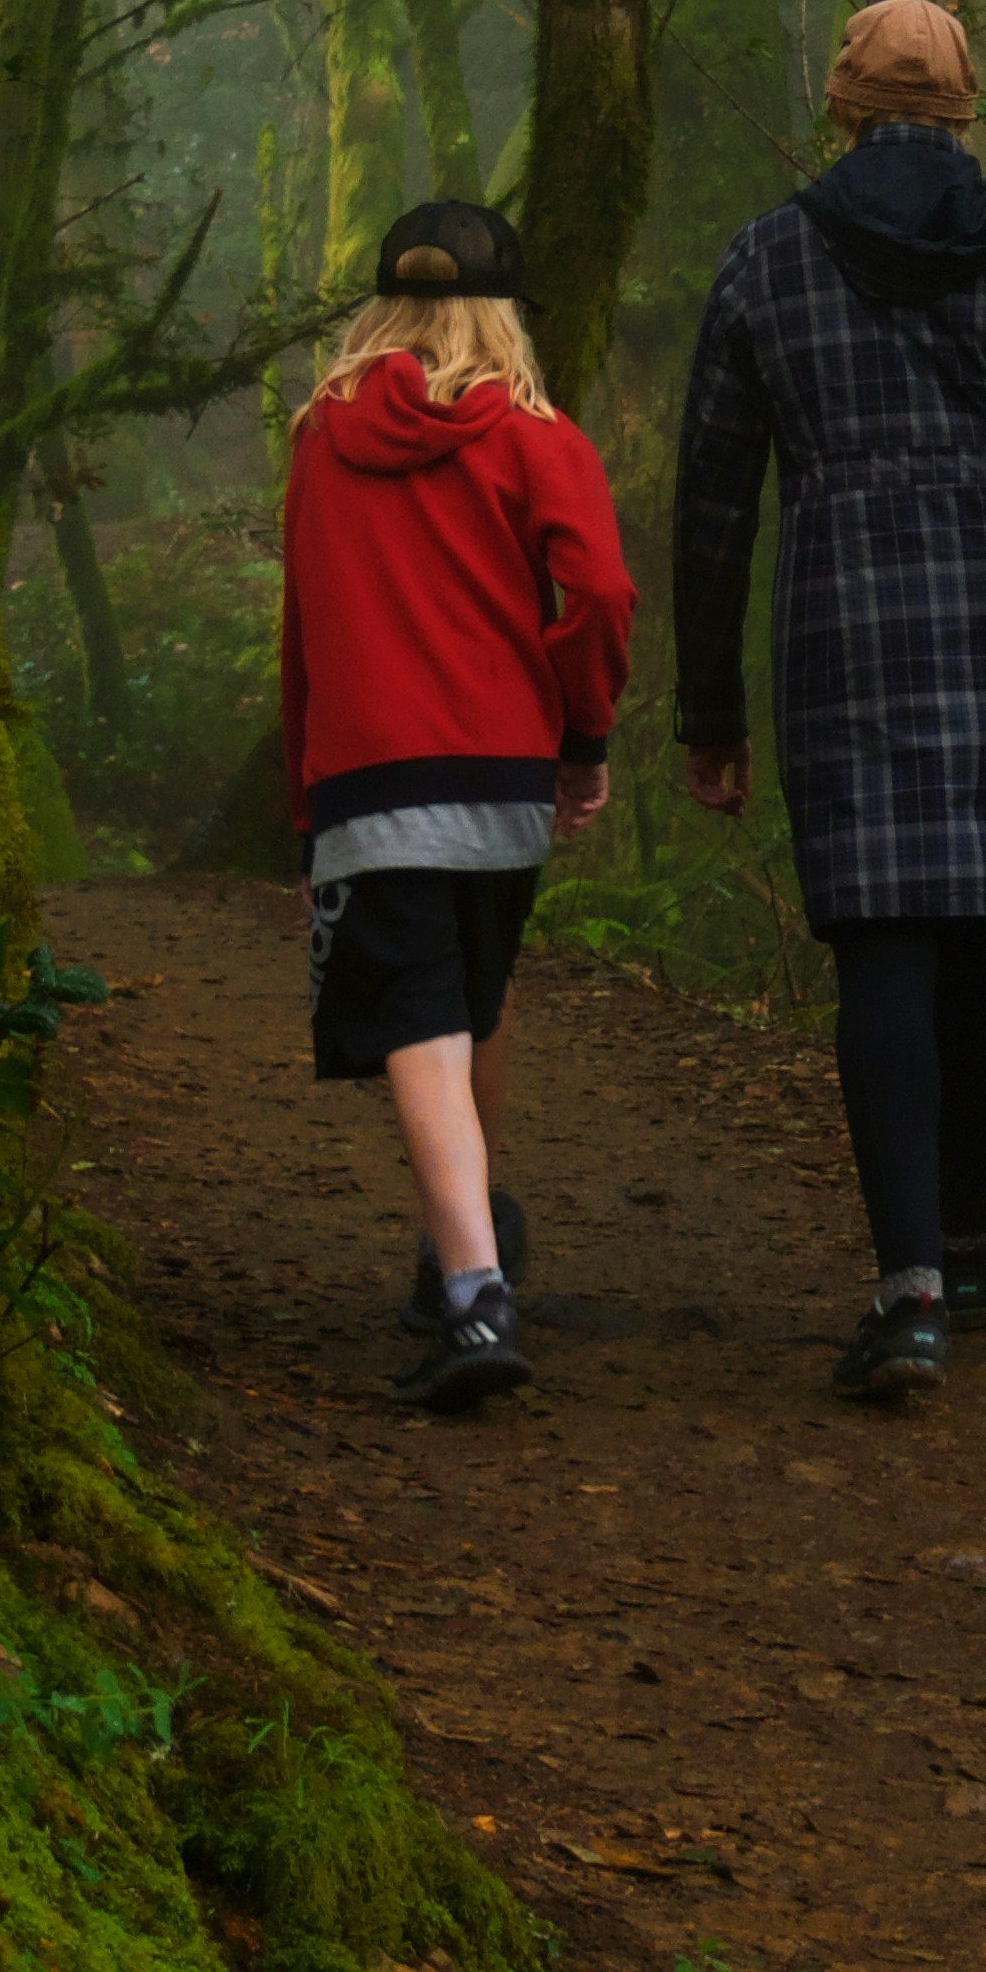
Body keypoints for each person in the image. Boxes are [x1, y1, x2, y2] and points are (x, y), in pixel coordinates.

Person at [671, 0, 986, 1405]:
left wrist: (709, 713)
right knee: (977, 915)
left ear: (842, 110)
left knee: (884, 929)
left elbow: (714, 502)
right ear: (961, 113)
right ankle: (976, 1240)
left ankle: (909, 1295)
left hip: (853, 622)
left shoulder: (768, 262)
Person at [279, 197, 632, 1414]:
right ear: (503, 315)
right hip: (501, 766)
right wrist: (581, 736)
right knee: (461, 1003)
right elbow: (598, 595)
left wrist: (305, 784)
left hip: (374, 769)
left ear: (386, 307)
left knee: (436, 1010)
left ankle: (470, 1280)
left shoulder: (322, 434)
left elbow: (305, 624)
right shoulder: (541, 438)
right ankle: (465, 1257)